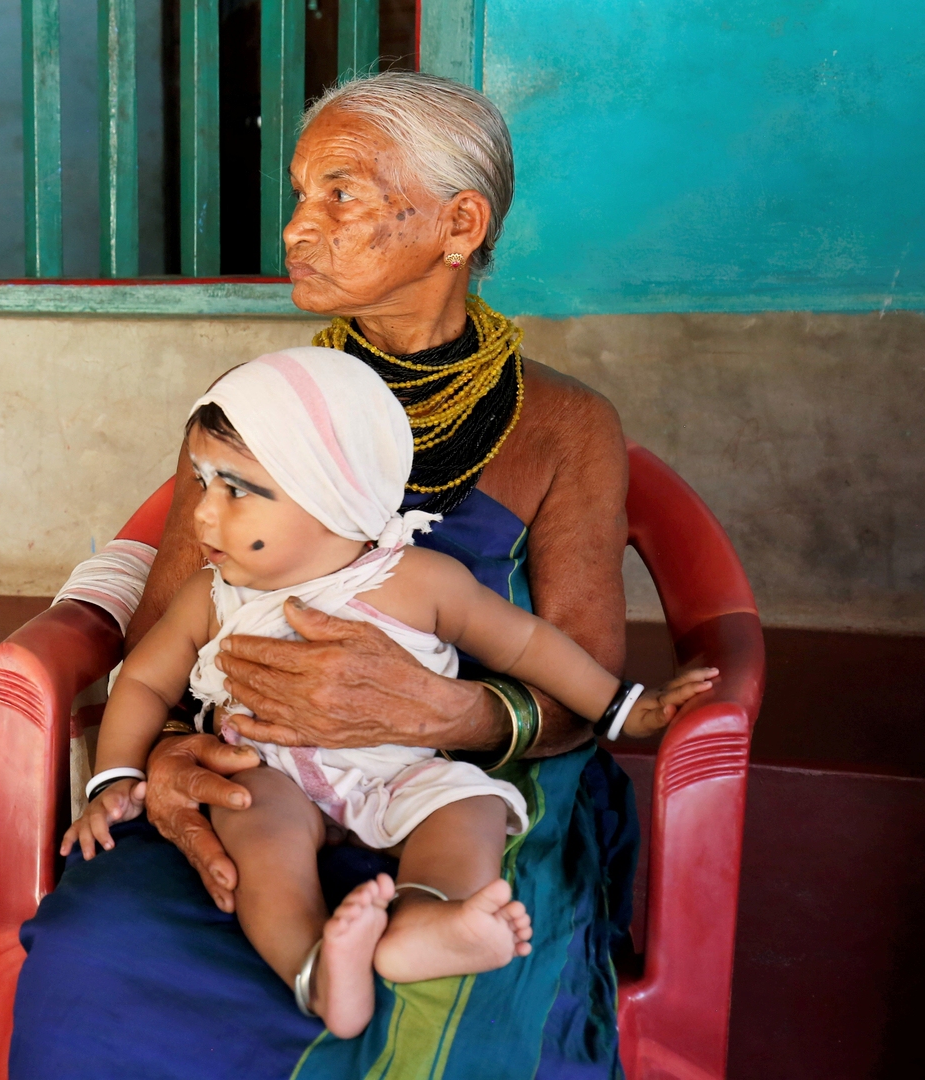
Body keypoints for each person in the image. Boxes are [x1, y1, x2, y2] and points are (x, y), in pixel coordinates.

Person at [12, 72, 646, 1078]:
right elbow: (165, 637)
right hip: (256, 781)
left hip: (468, 787)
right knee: (104, 950)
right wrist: (156, 762)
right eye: (300, 196)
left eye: (338, 195)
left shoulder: (568, 428)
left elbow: (583, 683)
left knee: (476, 985)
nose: (297, 229)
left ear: (458, 222)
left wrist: (441, 713)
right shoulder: (258, 408)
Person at [62, 351, 713, 1039]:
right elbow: (143, 678)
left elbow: (529, 647)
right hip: (268, 771)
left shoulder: (417, 579)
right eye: (201, 483)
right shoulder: (212, 595)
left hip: (402, 767)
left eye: (235, 489)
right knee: (257, 851)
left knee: (468, 806)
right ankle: (313, 970)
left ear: (332, 494)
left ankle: (429, 919)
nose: (201, 515)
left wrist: (623, 706)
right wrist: (118, 776)